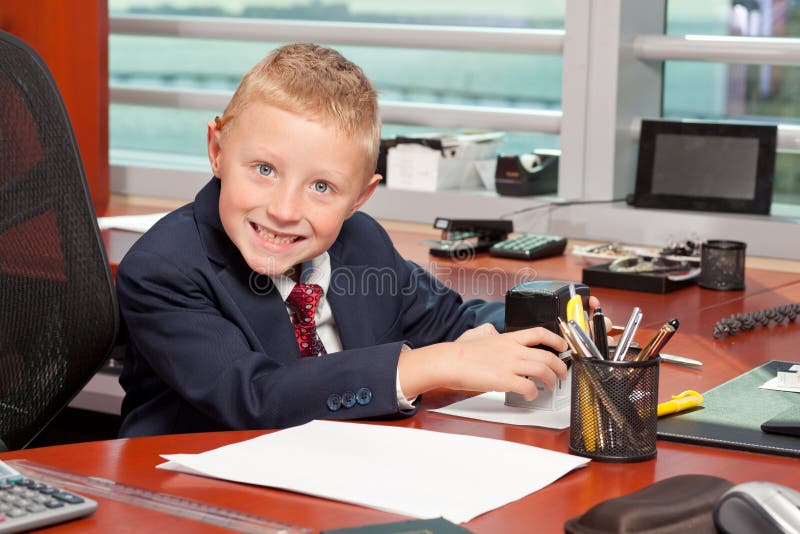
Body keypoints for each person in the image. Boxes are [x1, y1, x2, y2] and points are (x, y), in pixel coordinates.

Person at [116, 43, 595, 438]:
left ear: (359, 198)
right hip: (193, 490)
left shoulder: (360, 242)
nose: (285, 210)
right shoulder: (164, 269)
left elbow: (450, 322)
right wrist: (428, 366)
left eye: (321, 187)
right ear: (217, 152)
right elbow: (255, 397)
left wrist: (551, 328)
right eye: (264, 170)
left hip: (341, 475)